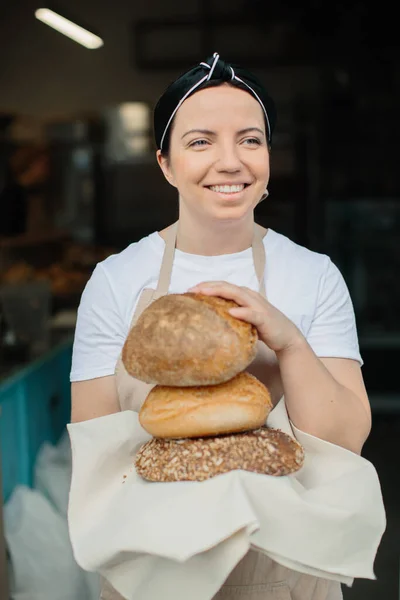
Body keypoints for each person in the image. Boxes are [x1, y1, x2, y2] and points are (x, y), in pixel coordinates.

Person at [70, 52, 372, 600]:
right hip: (152, 568)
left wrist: (287, 341)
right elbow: (96, 452)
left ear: (269, 157)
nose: (230, 161)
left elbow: (346, 441)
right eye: (200, 141)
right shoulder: (115, 280)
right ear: (165, 163)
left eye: (251, 140)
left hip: (288, 568)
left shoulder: (312, 275)